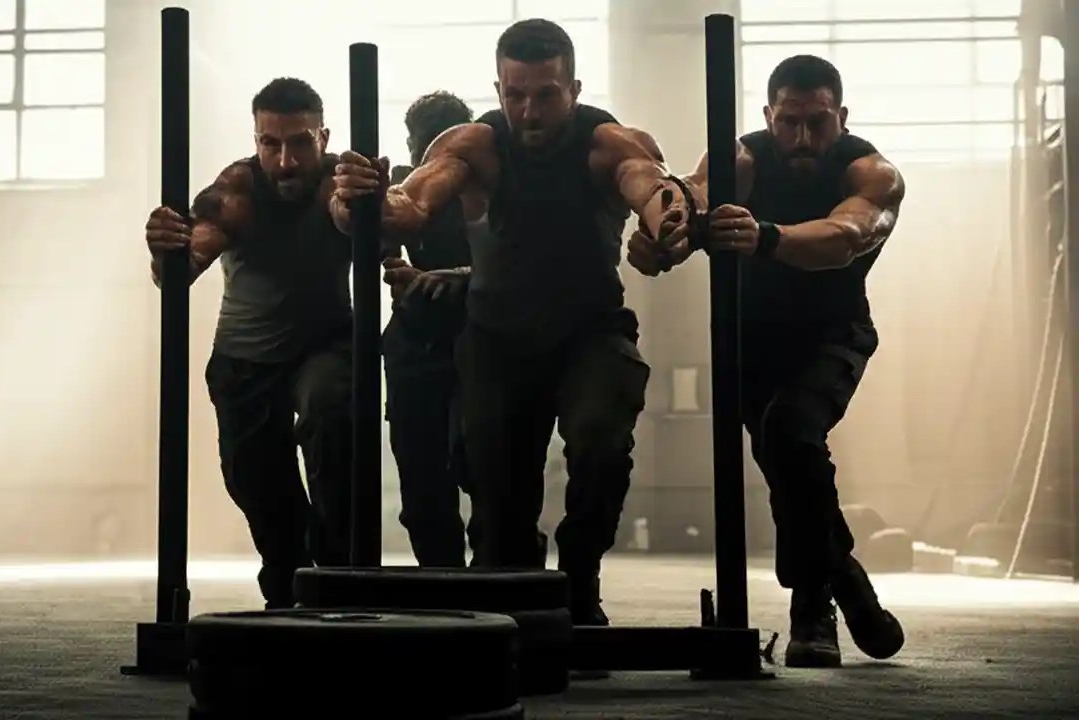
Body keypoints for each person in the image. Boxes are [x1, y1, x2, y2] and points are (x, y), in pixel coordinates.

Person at [332, 19, 687, 625]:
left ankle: (580, 577)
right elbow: (411, 205)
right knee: (496, 504)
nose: (529, 112)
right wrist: (356, 200)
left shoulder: (608, 142)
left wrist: (671, 225)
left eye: (546, 95)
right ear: (497, 89)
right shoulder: (473, 145)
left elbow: (651, 187)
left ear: (572, 88)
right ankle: (517, 596)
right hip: (497, 343)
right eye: (514, 95)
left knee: (602, 447)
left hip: (589, 335)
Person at [627, 55, 907, 668]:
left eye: (817, 122)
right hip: (751, 342)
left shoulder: (871, 173)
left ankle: (815, 609)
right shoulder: (743, 160)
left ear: (842, 117)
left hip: (833, 336)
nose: (802, 138)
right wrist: (663, 231)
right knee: (790, 466)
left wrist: (765, 236)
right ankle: (847, 582)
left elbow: (847, 238)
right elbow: (690, 198)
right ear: (768, 117)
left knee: (788, 433)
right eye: (789, 122)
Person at [144, 78, 353, 609]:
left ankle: (334, 576)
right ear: (256, 139)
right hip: (246, 360)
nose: (285, 161)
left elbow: (386, 230)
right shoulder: (236, 191)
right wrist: (163, 250)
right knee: (258, 486)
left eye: (301, 143)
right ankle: (288, 582)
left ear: (323, 137)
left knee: (331, 413)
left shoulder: (339, 184)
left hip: (324, 346)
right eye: (271, 144)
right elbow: (182, 270)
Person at [381, 91, 485, 568]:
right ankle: (453, 589)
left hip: (479, 340)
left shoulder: (488, 192)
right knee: (426, 486)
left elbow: (520, 264)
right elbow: (374, 242)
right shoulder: (405, 188)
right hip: (420, 343)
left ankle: (490, 586)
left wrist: (452, 278)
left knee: (486, 475)